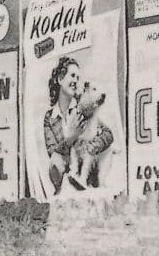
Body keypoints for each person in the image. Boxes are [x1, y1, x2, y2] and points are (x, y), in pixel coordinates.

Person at [43, 56, 113, 194]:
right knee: (55, 162)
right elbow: (54, 154)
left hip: (86, 177)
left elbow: (108, 134)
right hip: (65, 178)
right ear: (59, 79)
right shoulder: (49, 118)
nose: (75, 81)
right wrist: (72, 136)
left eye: (77, 77)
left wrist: (93, 145)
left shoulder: (83, 109)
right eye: (72, 76)